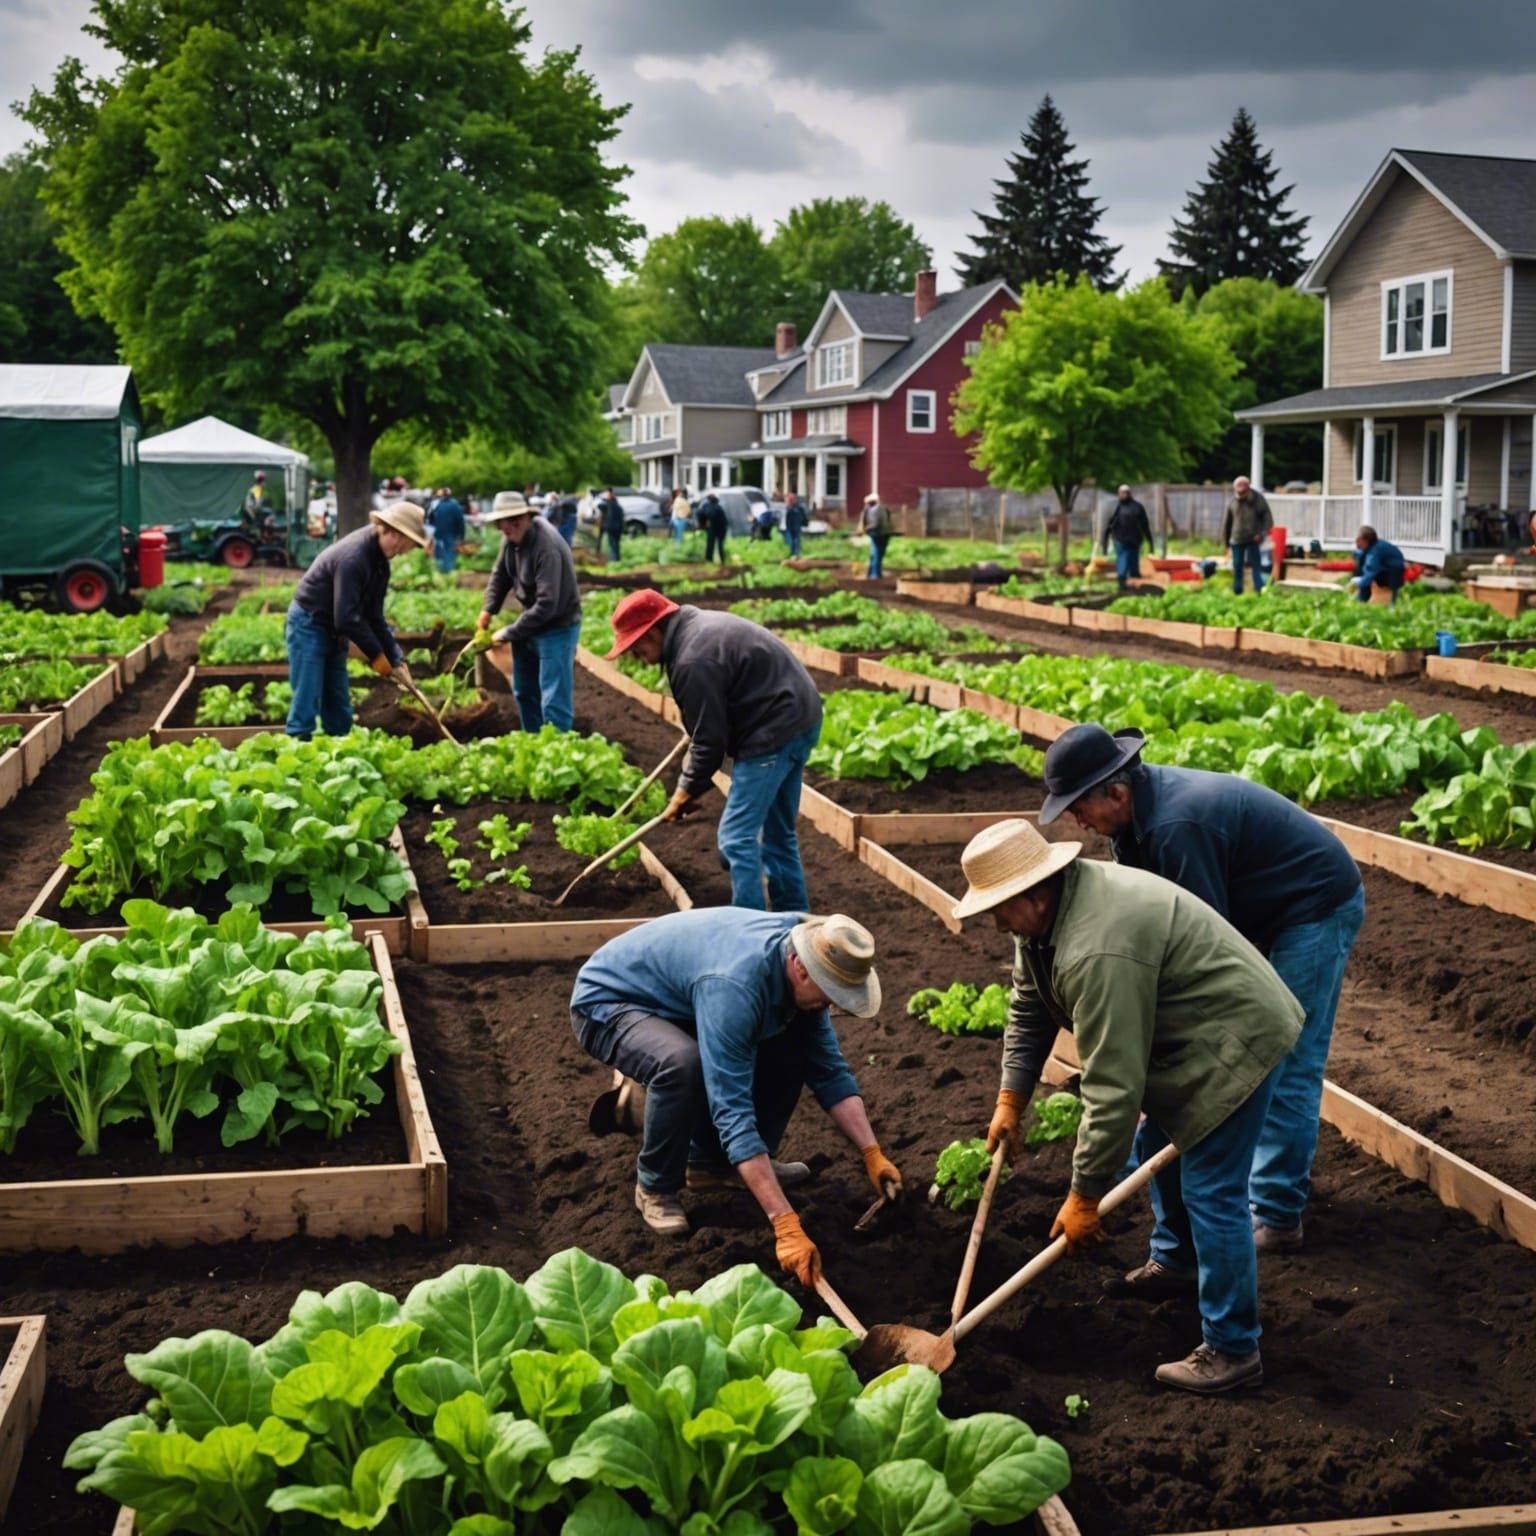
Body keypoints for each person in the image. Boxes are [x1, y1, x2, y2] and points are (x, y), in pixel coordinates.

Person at [957, 818, 1303, 1395]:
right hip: (1181, 1036)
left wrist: (1084, 1196)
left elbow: (1113, 1085)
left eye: (998, 908)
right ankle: (1176, 1263)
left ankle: (1232, 1348)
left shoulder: (1097, 946)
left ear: (1034, 895)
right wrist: (1010, 1098)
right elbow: (1028, 1007)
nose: (993, 921)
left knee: (1212, 1187)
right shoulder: (1041, 923)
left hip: (1234, 1035)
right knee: (1153, 1142)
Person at [1038, 723, 1365, 1253]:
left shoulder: (1176, 826)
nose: (1077, 820)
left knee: (1283, 1050)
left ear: (1117, 793)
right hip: (1264, 901)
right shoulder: (1132, 827)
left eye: (1079, 807)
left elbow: (1205, 949)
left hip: (1313, 903)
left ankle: (1279, 1213)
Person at [570, 907, 901, 1265]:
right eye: (829, 994)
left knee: (794, 1046)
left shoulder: (810, 951)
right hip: (609, 1001)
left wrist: (872, 1152)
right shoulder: (735, 988)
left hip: (684, 995)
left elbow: (828, 1069)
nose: (830, 1005)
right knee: (682, 1065)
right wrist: (785, 1223)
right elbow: (732, 1111)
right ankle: (655, 1186)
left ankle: (712, 1165)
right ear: (801, 968)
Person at [605, 588, 822, 911]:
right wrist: (692, 782)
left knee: (736, 839)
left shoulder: (692, 659)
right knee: (778, 833)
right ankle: (794, 915)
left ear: (652, 631)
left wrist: (686, 789)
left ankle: (747, 929)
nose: (636, 656)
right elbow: (708, 728)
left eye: (636, 647)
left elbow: (709, 743)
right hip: (801, 715)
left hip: (772, 731)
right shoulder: (692, 628)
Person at [284, 502, 427, 738]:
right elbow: (347, 618)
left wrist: (395, 658)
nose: (407, 551)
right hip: (309, 623)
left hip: (335, 628)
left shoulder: (380, 563)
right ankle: (296, 752)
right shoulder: (354, 557)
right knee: (307, 696)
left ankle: (341, 754)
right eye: (410, 544)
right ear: (395, 534)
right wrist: (376, 656)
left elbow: (374, 616)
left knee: (338, 699)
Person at [475, 490, 582, 733]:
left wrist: (509, 632)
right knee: (524, 691)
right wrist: (488, 610)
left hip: (557, 626)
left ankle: (558, 753)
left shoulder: (548, 547)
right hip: (531, 622)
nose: (504, 530)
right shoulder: (511, 539)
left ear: (521, 519)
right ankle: (533, 745)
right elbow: (500, 575)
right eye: (500, 524)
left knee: (554, 701)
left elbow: (548, 605)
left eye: (508, 524)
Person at [1220, 476, 1272, 595]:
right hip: (1236, 539)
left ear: (1248, 487)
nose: (1241, 493)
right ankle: (1238, 591)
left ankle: (1259, 589)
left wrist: (1261, 533)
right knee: (1237, 566)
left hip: (1253, 538)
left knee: (1256, 566)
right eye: (1238, 490)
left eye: (1243, 490)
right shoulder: (1232, 502)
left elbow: (1267, 518)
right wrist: (1226, 544)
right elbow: (1227, 524)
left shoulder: (1258, 499)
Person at [1102, 485, 1154, 591]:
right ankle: (1122, 582)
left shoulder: (1137, 507)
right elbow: (1108, 526)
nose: (1122, 495)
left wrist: (1150, 541)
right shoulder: (1115, 508)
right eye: (1121, 493)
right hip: (1120, 539)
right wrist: (1104, 544)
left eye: (1125, 492)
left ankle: (1135, 580)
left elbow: (1145, 525)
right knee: (1123, 559)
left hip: (1135, 539)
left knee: (1133, 560)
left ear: (1129, 493)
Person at [1352, 525, 1406, 603]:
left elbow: (1371, 570)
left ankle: (1392, 606)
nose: (1357, 545)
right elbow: (1361, 555)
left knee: (1367, 581)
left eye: (1359, 541)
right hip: (1385, 566)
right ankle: (1362, 600)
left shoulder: (1375, 551)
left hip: (1393, 570)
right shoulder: (1373, 545)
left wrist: (1359, 584)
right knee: (1364, 575)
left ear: (1366, 540)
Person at [428, 486, 466, 575]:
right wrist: (461, 536)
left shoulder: (436, 505)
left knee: (439, 555)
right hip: (451, 534)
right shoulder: (455, 505)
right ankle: (448, 574)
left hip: (438, 534)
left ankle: (440, 574)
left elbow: (430, 520)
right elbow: (460, 522)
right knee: (449, 554)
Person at [861, 491, 892, 578]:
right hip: (885, 533)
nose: (866, 505)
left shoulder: (874, 510)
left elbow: (875, 524)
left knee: (875, 554)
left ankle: (874, 574)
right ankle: (876, 573)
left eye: (867, 503)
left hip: (877, 534)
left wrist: (865, 529)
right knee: (879, 554)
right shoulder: (883, 508)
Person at [701, 490, 729, 563]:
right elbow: (702, 515)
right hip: (714, 528)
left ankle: (721, 560)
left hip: (720, 528)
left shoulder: (716, 506)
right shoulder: (708, 506)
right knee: (711, 544)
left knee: (719, 545)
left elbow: (709, 514)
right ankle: (710, 559)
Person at [598, 487, 624, 563]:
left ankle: (614, 561)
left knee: (613, 545)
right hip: (617, 528)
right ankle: (616, 560)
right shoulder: (617, 506)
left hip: (612, 528)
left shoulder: (610, 505)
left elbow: (600, 506)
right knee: (615, 545)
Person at [783, 492, 808, 558]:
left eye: (788, 500)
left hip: (794, 525)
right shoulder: (793, 508)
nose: (787, 501)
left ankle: (795, 554)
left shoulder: (796, 508)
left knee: (795, 539)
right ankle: (793, 553)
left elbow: (801, 517)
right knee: (792, 540)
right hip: (790, 526)